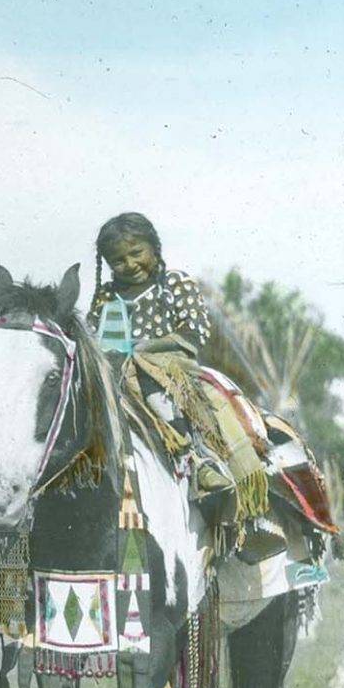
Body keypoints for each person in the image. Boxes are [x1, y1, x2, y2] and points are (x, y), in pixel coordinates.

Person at [86, 211, 263, 513]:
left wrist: (147, 348)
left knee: (160, 399)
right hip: (113, 369)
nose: (129, 264)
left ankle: (197, 461)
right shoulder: (107, 295)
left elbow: (194, 331)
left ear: (154, 247)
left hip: (168, 367)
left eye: (136, 253)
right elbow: (93, 330)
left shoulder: (174, 284)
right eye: (118, 260)